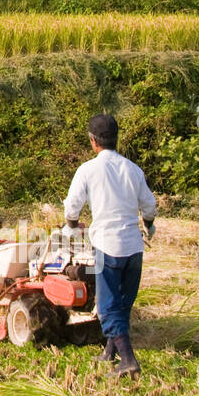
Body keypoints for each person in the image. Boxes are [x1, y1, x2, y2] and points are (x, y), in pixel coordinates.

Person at [62, 113, 156, 376]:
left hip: (108, 247)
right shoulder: (133, 169)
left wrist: (71, 225)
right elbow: (149, 207)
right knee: (123, 303)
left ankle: (128, 361)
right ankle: (109, 352)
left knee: (106, 307)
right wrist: (148, 225)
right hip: (134, 248)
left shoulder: (88, 170)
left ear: (93, 141)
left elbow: (72, 208)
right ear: (116, 138)